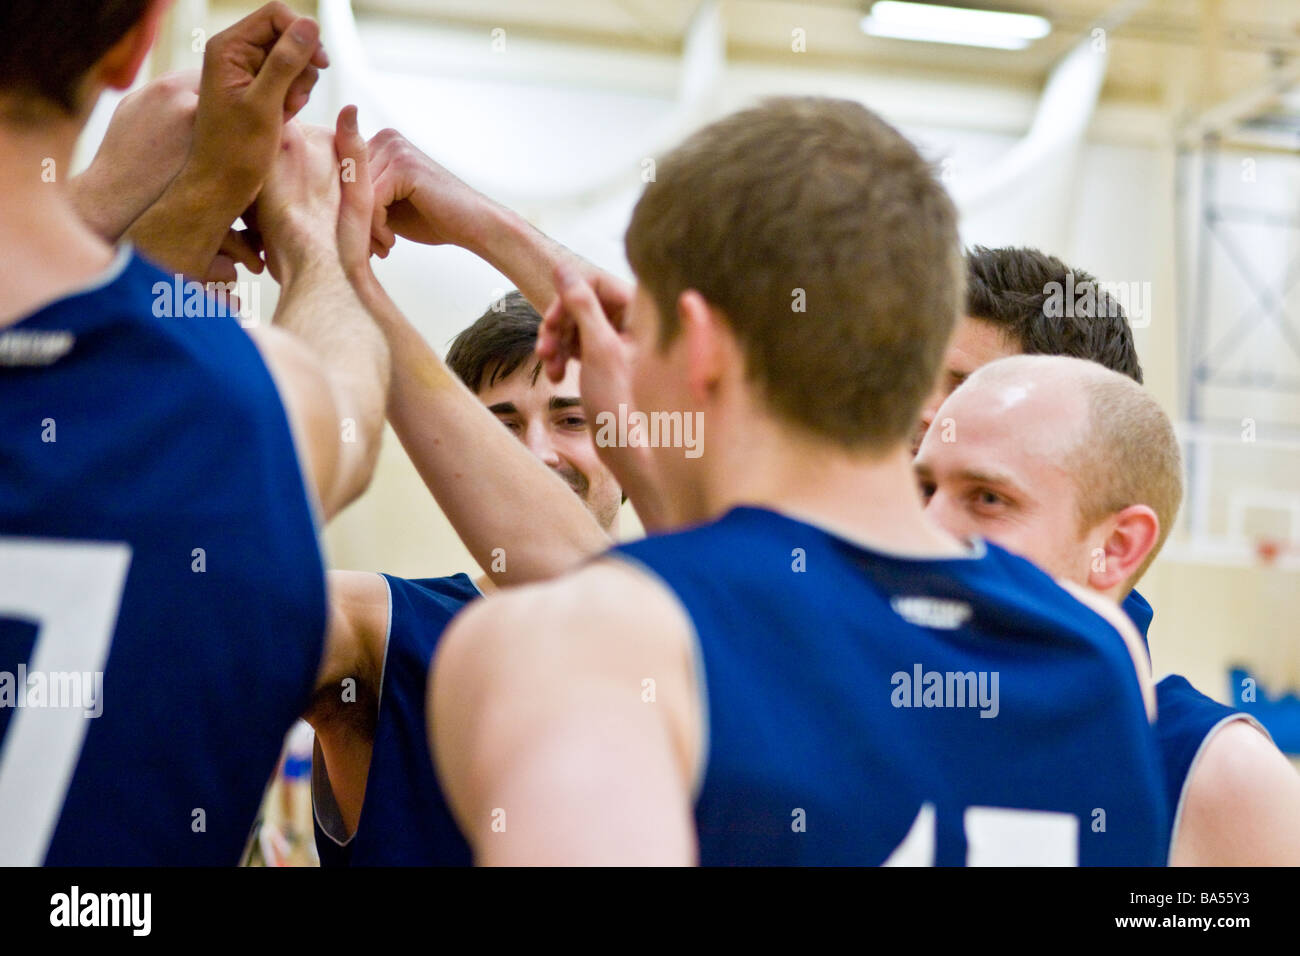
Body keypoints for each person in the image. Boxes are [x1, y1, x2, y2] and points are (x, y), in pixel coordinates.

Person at [424, 97, 1166, 866]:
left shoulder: (565, 640)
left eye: (648, 330)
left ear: (703, 345)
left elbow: (736, 608)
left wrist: (343, 284)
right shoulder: (1096, 651)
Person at [0, 1, 390, 864]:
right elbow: (343, 403)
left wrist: (110, 197)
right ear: (134, 43)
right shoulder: (254, 412)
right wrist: (309, 234)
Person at [914, 355, 1300, 865]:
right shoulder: (858, 710)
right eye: (922, 490)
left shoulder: (1217, 773)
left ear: (1117, 546)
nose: (924, 527)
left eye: (987, 497)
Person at [309, 292, 619, 865]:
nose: (538, 455)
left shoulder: (697, 624)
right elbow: (216, 604)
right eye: (501, 429)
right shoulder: (379, 628)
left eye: (571, 420)